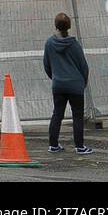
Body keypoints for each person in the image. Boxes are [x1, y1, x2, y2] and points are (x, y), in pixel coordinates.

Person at [43, 12, 92, 155]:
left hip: (58, 84)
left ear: (55, 26)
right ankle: (79, 146)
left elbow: (46, 64)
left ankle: (53, 144)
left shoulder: (49, 43)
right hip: (75, 85)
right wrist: (83, 82)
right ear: (69, 26)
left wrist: (55, 78)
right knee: (77, 115)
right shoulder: (74, 44)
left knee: (57, 114)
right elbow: (83, 66)